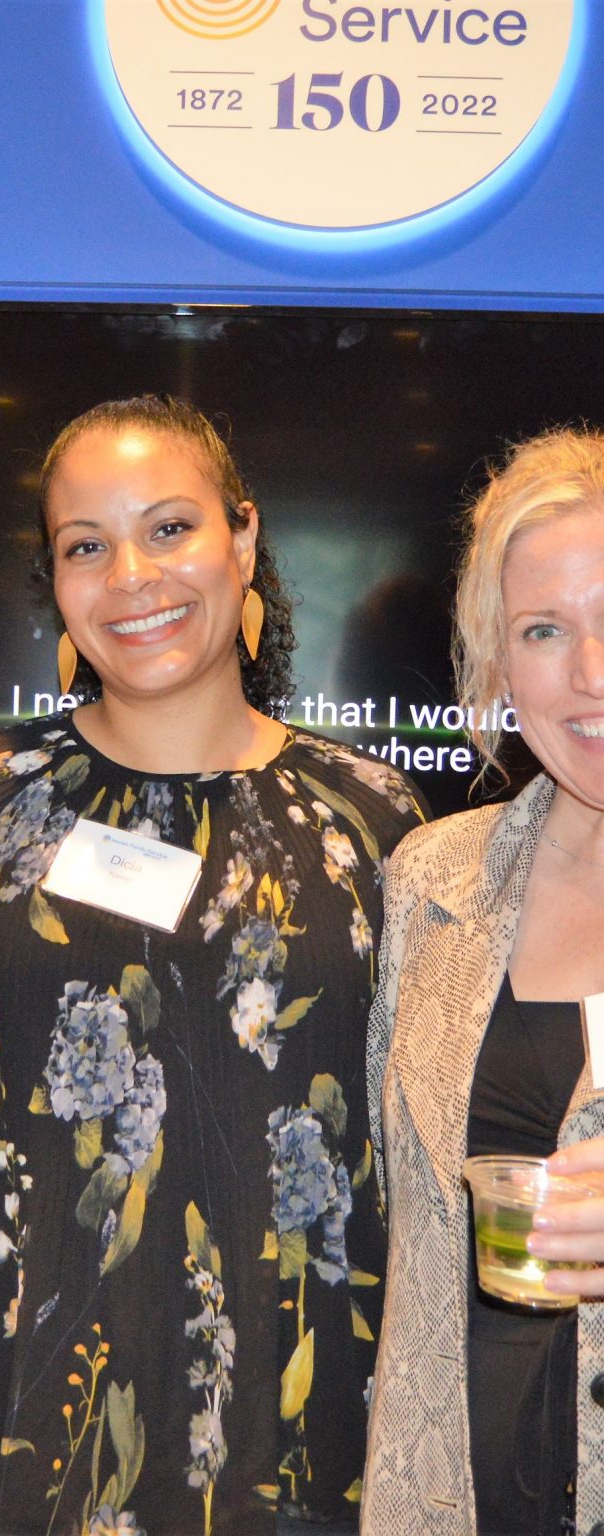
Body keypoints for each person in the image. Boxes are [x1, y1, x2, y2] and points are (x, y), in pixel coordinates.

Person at [0, 396, 427, 1535]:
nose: (131, 574)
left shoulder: (375, 821)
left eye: (170, 528)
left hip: (309, 1435)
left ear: (243, 540)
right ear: (57, 582)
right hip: (17, 1427)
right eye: (86, 545)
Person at [363, 428, 604, 1536]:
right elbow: (398, 1223)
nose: (590, 672)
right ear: (500, 668)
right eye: (545, 631)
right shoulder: (433, 882)